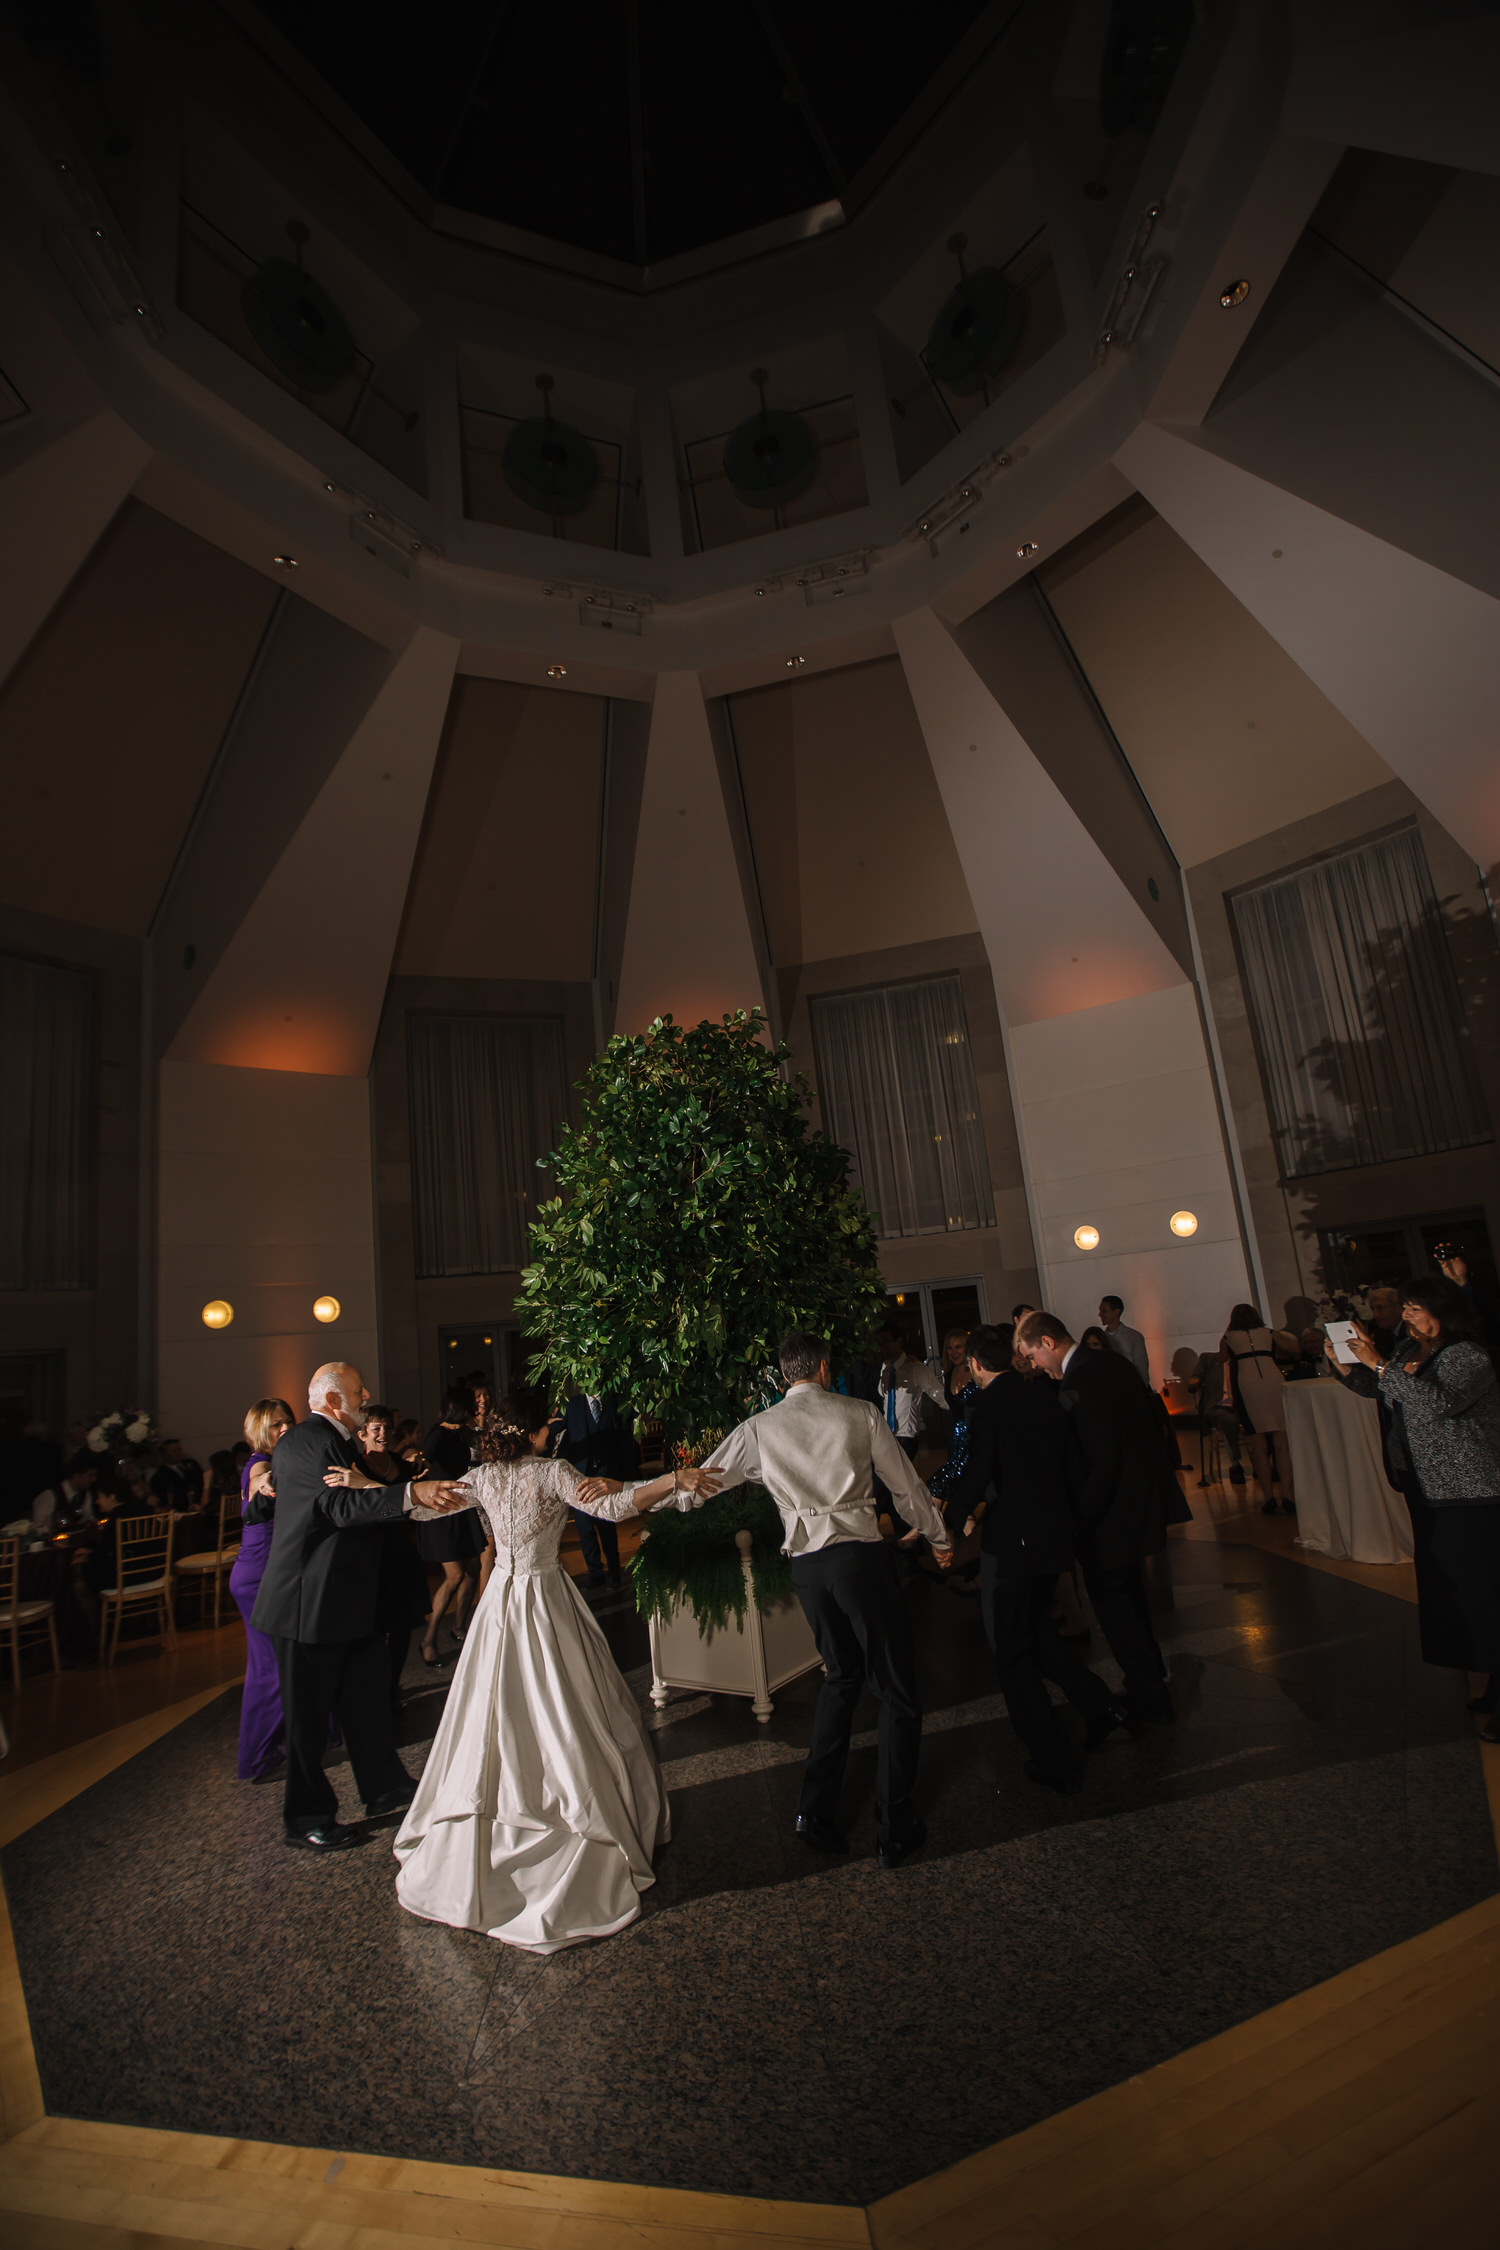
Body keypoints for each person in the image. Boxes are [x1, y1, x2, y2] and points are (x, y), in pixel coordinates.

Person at [326, 1391, 718, 1951]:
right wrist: (673, 1480)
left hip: (500, 1604)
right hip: (547, 1599)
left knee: (491, 1712)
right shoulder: (552, 1471)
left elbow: (421, 1504)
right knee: (571, 1709)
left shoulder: (482, 1477)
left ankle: (491, 1826)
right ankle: (576, 1821)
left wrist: (363, 1487)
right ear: (536, 1432)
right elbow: (613, 1507)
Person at [690, 1329, 953, 1869]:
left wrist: (637, 1496)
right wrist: (940, 1538)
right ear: (824, 1368)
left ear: (786, 1373)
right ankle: (894, 1825)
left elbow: (700, 1485)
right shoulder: (858, 1413)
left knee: (840, 1677)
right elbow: (905, 1487)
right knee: (897, 1691)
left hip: (808, 1571)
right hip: (860, 1561)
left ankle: (813, 1812)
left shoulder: (759, 1428)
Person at [249, 1361, 465, 1852]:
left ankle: (384, 1786)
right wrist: (413, 1494)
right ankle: (305, 1817)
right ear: (330, 1401)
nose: (365, 1394)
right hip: (307, 1605)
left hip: (345, 1604)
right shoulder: (309, 1441)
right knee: (307, 1723)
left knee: (367, 1702)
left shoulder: (328, 1442)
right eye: (356, 1390)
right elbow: (339, 1509)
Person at [953, 1325, 1126, 1794]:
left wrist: (948, 1523)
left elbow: (979, 1472)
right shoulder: (1048, 1394)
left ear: (974, 1365)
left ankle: (1053, 1756)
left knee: (1009, 1649)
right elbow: (1074, 1464)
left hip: (1014, 1543)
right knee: (1038, 1634)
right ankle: (1099, 1705)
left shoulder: (988, 1405)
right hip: (1054, 1536)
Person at [1332, 1278, 1500, 1714]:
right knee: (1454, 1590)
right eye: (1405, 1307)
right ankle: (1483, 1675)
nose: (1406, 1315)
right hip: (1424, 1486)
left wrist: (1381, 1366)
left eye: (1415, 1308)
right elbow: (1385, 1393)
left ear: (1442, 1312)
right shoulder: (1408, 1353)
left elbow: (1439, 1403)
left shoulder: (1468, 1355)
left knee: (1484, 1591)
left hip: (1469, 1490)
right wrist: (1349, 1368)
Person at [1017, 1312, 1183, 1725]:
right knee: (1133, 1600)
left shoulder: (1080, 1381)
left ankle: (1148, 1696)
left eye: (1032, 1354)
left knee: (1116, 1609)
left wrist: (1078, 1520)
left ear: (1048, 1343)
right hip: (1136, 1503)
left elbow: (1101, 1459)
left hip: (1110, 1515)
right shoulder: (1108, 1363)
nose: (1034, 1364)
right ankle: (1150, 1678)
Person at [228, 1399, 296, 1783]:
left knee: (279, 1662)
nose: (284, 1430)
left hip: (260, 1572)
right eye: (275, 1426)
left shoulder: (267, 1462)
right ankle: (255, 1757)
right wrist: (268, 1487)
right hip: (259, 1577)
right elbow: (260, 1487)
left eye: (288, 1423)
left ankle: (288, 1741)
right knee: (269, 1668)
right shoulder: (262, 1465)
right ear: (259, 1431)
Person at [359, 1405, 430, 1710]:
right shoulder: (357, 1469)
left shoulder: (401, 1466)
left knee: (402, 1630)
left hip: (400, 1553)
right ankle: (375, 1693)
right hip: (372, 1557)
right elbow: (367, 1512)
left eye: (386, 1428)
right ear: (362, 1434)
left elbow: (410, 1510)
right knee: (375, 1632)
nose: (383, 1434)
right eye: (376, 1429)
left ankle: (391, 1688)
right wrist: (399, 1505)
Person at [415, 1387, 485, 1663]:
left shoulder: (460, 1433)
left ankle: (459, 1627)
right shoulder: (439, 1434)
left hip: (460, 1507)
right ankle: (427, 1640)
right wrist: (416, 1462)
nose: (476, 1410)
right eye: (472, 1406)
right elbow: (422, 1462)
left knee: (473, 1570)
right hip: (441, 1510)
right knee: (455, 1575)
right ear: (461, 1408)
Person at [555, 1390, 639, 1594]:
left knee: (607, 1526)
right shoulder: (572, 1404)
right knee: (584, 1528)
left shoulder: (615, 1401)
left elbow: (625, 1437)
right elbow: (558, 1429)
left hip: (608, 1475)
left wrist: (627, 1472)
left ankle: (614, 1572)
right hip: (580, 1475)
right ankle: (595, 1573)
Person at [1219, 1302, 1298, 1515]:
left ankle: (1268, 1497)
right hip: (1272, 1379)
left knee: (1258, 1444)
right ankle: (1288, 1495)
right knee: (1281, 1443)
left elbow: (1222, 1358)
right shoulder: (1268, 1332)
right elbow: (1293, 1347)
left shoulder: (1230, 1337)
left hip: (1247, 1385)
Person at [874, 1324, 946, 1461]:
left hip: (905, 1437)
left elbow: (938, 1394)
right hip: (887, 1435)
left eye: (886, 1341)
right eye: (879, 1343)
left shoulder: (915, 1368)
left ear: (899, 1341)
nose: (882, 1347)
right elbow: (882, 1394)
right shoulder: (886, 1368)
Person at [30, 1449, 97, 1536]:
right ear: (76, 1476)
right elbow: (37, 1528)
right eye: (90, 1475)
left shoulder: (86, 1495)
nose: (94, 1479)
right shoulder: (49, 1496)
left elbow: (89, 1519)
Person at [1099, 1296, 1150, 1385]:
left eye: (1104, 1311)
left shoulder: (1134, 1337)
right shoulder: (1100, 1338)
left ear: (1116, 1312)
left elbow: (1142, 1368)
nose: (1100, 1314)